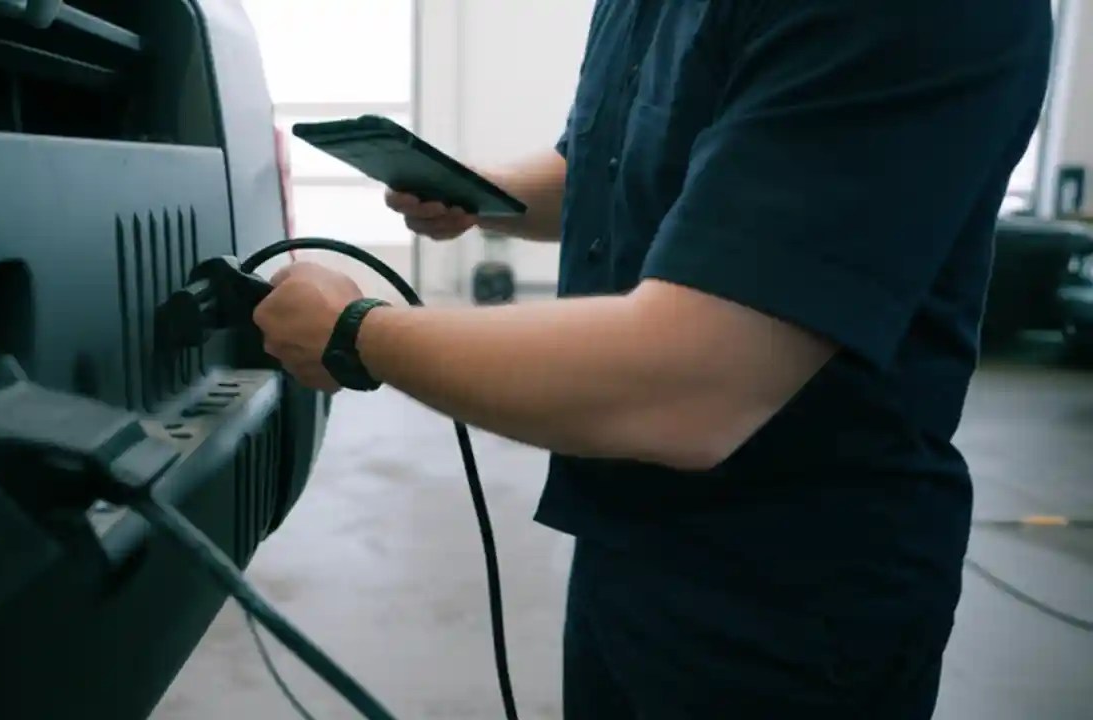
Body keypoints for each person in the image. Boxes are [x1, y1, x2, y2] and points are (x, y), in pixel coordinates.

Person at [253, 0, 1054, 717]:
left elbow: (690, 385)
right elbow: (612, 166)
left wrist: (357, 331)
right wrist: (479, 190)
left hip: (797, 585)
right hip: (627, 532)